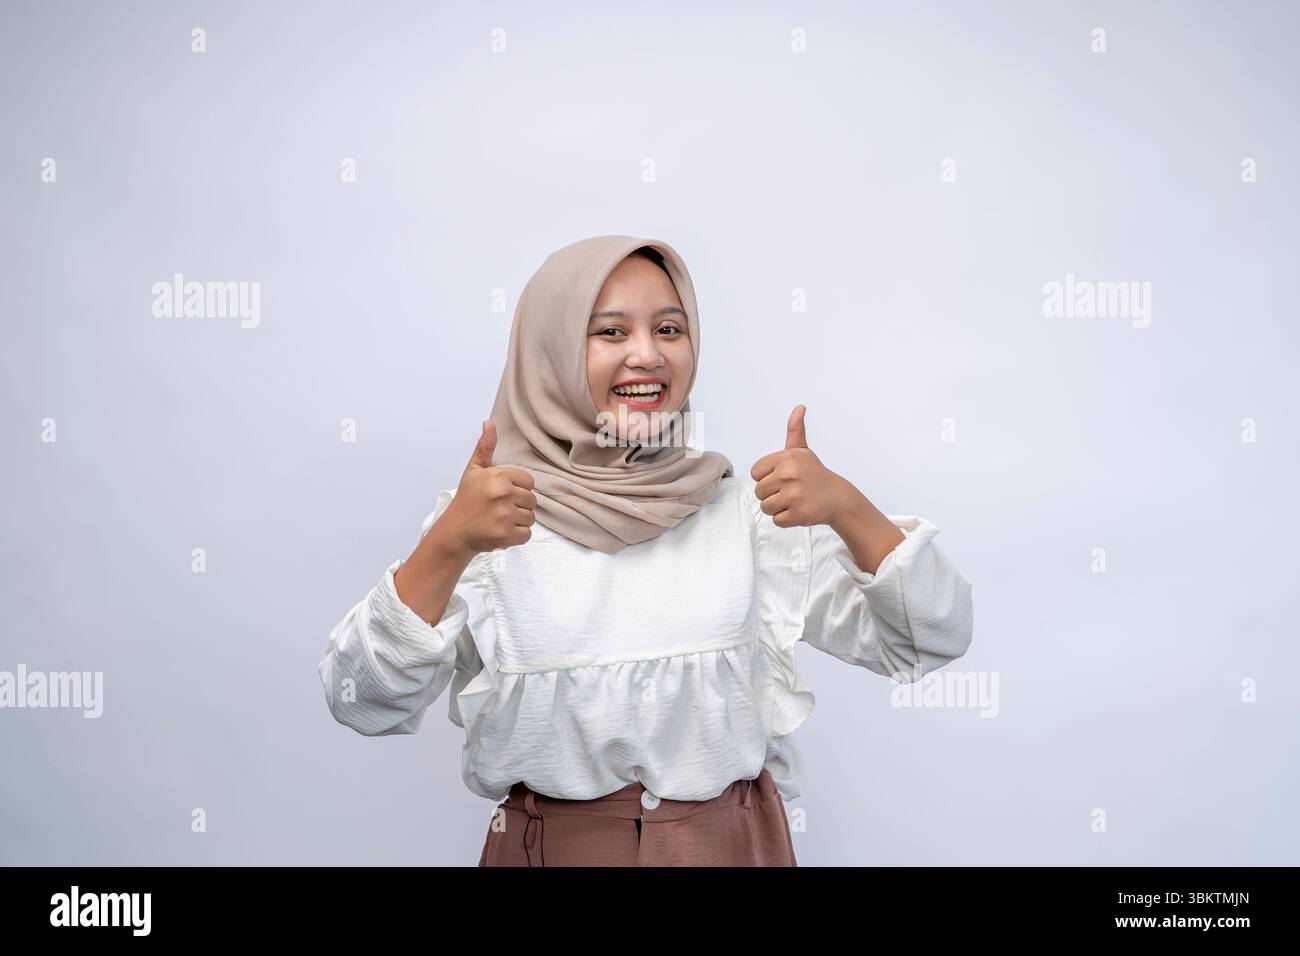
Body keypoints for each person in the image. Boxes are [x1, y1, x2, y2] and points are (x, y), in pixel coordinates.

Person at [318, 235, 975, 866]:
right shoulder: (487, 520)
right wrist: (446, 544)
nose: (648, 356)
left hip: (733, 850)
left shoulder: (744, 516)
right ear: (547, 349)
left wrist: (847, 508)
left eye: (669, 329)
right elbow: (363, 701)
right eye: (610, 331)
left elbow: (926, 642)